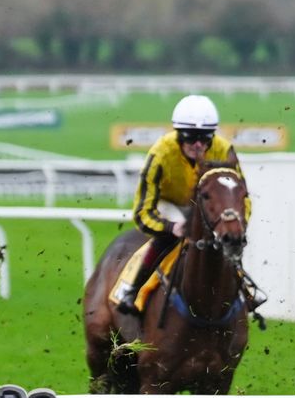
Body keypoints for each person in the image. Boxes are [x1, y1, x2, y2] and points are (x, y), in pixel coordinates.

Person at [111, 94, 265, 315]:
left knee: (227, 240)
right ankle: (132, 287)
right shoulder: (160, 154)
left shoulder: (224, 149)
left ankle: (245, 288)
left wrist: (235, 222)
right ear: (178, 134)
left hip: (208, 205)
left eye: (205, 138)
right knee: (169, 239)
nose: (199, 145)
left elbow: (242, 196)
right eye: (191, 137)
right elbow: (141, 211)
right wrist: (169, 227)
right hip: (171, 205)